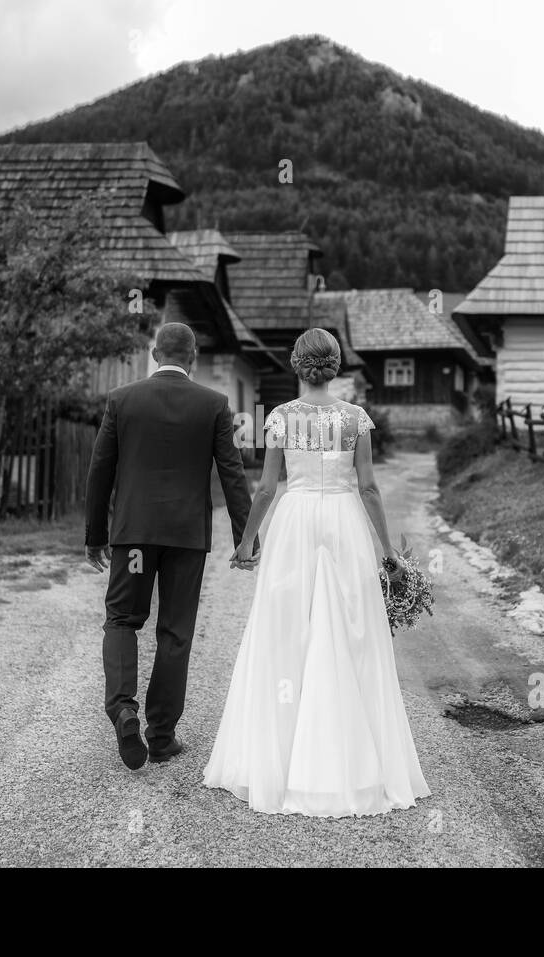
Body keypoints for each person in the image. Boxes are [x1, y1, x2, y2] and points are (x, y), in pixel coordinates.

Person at [202, 328, 430, 817]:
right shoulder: (355, 419)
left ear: (295, 365)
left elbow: (265, 490)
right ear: (336, 365)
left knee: (284, 632)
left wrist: (246, 543)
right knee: (354, 632)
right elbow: (368, 488)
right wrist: (387, 549)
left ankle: (280, 763)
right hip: (344, 522)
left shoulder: (281, 419)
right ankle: (356, 764)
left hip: (296, 521)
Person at [84, 322, 257, 770]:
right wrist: (245, 539)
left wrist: (94, 536)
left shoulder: (122, 400)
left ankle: (123, 709)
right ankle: (160, 737)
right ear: (193, 357)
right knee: (175, 633)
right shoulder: (214, 404)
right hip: (185, 538)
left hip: (135, 537)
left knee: (122, 619)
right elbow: (232, 474)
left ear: (156, 354)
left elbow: (100, 471)